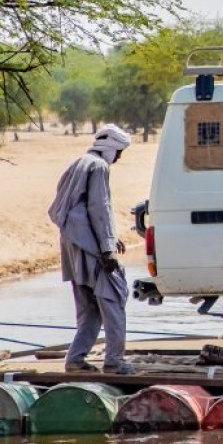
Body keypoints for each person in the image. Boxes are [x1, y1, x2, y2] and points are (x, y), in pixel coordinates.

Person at [47, 124, 136, 375]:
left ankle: (75, 359)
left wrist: (110, 237)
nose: (118, 157)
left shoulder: (77, 163)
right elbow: (100, 207)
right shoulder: (98, 167)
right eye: (118, 152)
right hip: (91, 247)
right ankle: (114, 362)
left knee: (89, 308)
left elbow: (72, 207)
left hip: (71, 246)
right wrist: (108, 248)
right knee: (114, 299)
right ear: (110, 148)